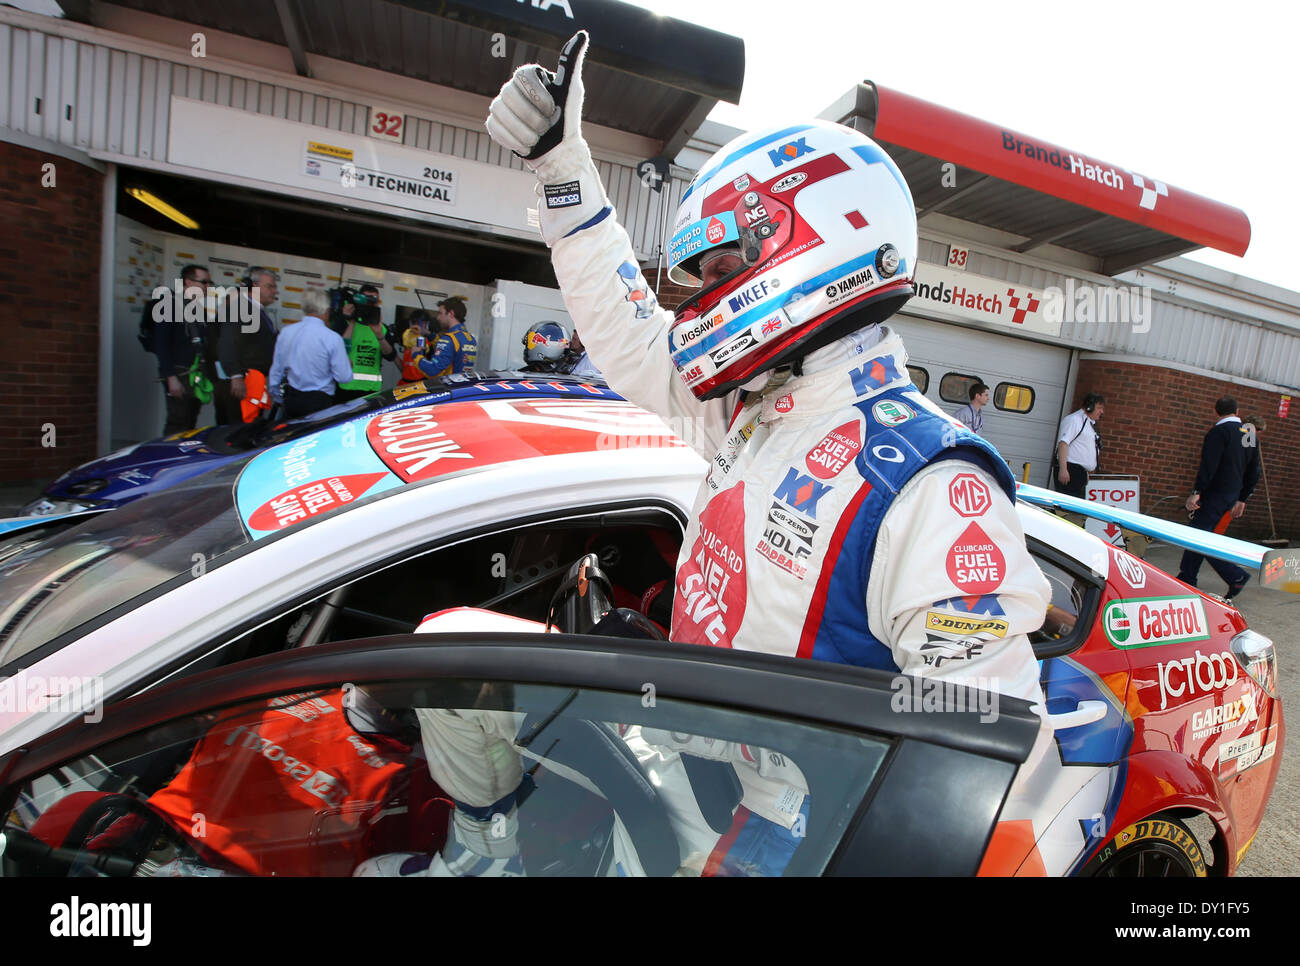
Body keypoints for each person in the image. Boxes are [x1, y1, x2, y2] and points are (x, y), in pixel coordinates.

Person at [356, 33, 1052, 877]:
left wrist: (806, 751)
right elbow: (636, 339)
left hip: (784, 823)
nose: (700, 296)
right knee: (453, 653)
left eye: (719, 266)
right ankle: (486, 849)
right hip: (689, 742)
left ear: (811, 251)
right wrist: (561, 167)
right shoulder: (763, 409)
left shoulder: (927, 481)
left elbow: (982, 736)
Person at [1176, 396, 1260, 598]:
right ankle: (1187, 577)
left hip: (1215, 493)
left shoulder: (1218, 432)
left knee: (1200, 537)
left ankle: (1235, 576)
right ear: (1237, 411)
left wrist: (1197, 492)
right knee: (1201, 534)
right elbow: (1253, 469)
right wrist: (1243, 498)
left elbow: (1209, 465)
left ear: (1217, 412)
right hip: (1232, 494)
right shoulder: (1248, 433)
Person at [267, 288, 353, 418]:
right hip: (320, 402)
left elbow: (276, 372)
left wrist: (278, 398)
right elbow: (344, 377)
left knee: (291, 436)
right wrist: (347, 365)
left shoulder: (287, 332)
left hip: (292, 398)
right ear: (326, 310)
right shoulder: (332, 338)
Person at [212, 268, 280, 424]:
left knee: (248, 427)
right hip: (242, 382)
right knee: (238, 429)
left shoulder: (256, 310)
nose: (274, 291)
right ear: (254, 286)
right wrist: (236, 376)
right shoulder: (242, 308)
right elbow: (227, 343)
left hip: (253, 380)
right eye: (270, 286)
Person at [152, 264, 212, 435]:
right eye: (204, 282)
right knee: (178, 423)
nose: (208, 287)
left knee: (190, 423)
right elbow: (161, 344)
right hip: (179, 373)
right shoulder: (169, 305)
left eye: (209, 282)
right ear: (188, 282)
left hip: (196, 374)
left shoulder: (198, 308)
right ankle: (168, 460)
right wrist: (171, 377)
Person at [336, 285, 396, 403]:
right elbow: (337, 350)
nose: (370, 305)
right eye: (367, 300)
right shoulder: (346, 322)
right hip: (345, 388)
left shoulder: (381, 328)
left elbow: (390, 356)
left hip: (371, 390)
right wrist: (352, 320)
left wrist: (379, 335)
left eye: (374, 301)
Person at [1054, 393, 1104, 497]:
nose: (1101, 412)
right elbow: (1063, 444)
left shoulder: (1089, 423)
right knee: (1066, 508)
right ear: (1089, 407)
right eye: (1099, 408)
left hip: (1079, 474)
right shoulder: (1074, 420)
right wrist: (1063, 469)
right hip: (1071, 471)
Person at [416, 297, 477, 379]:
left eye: (440, 313)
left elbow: (433, 370)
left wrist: (416, 355)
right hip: (462, 386)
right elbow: (451, 351)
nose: (438, 318)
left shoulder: (448, 339)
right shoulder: (470, 338)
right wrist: (429, 335)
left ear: (451, 314)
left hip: (449, 387)